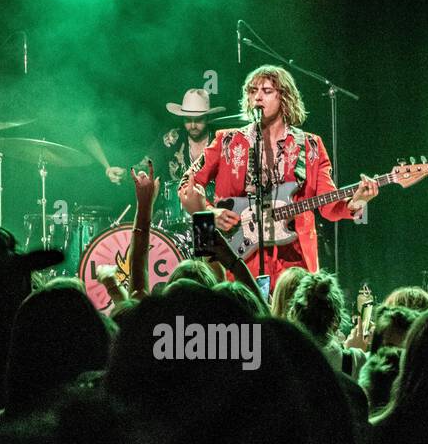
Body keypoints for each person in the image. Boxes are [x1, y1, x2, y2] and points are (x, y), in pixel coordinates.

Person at [178, 65, 379, 284]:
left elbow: (328, 207)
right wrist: (210, 213)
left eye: (266, 91)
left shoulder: (311, 146)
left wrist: (356, 202)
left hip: (294, 261)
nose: (257, 98)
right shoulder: (227, 140)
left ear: (285, 97)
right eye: (253, 91)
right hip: (236, 257)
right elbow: (187, 183)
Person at [106, 88, 222, 218]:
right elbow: (148, 166)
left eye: (198, 120)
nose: (193, 125)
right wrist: (126, 174)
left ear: (208, 118)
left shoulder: (222, 141)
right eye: (188, 120)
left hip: (215, 215)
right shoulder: (171, 138)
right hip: (177, 219)